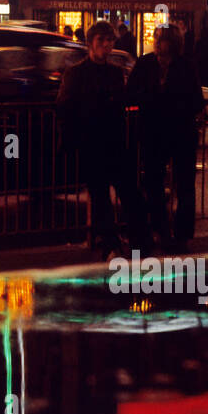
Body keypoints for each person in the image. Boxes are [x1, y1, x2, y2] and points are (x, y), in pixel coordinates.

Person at [56, 19, 149, 257]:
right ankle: (111, 244)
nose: (106, 46)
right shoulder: (77, 73)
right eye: (102, 41)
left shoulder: (114, 73)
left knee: (128, 193)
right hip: (93, 140)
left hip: (113, 139)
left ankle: (135, 242)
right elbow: (65, 107)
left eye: (110, 41)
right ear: (90, 44)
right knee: (101, 197)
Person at [126, 25, 205, 250]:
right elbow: (131, 92)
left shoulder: (185, 65)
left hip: (181, 131)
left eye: (163, 39)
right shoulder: (145, 63)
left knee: (185, 185)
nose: (158, 43)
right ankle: (160, 230)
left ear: (174, 42)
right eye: (156, 38)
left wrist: (172, 103)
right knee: (153, 183)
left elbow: (196, 100)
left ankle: (182, 234)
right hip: (153, 131)